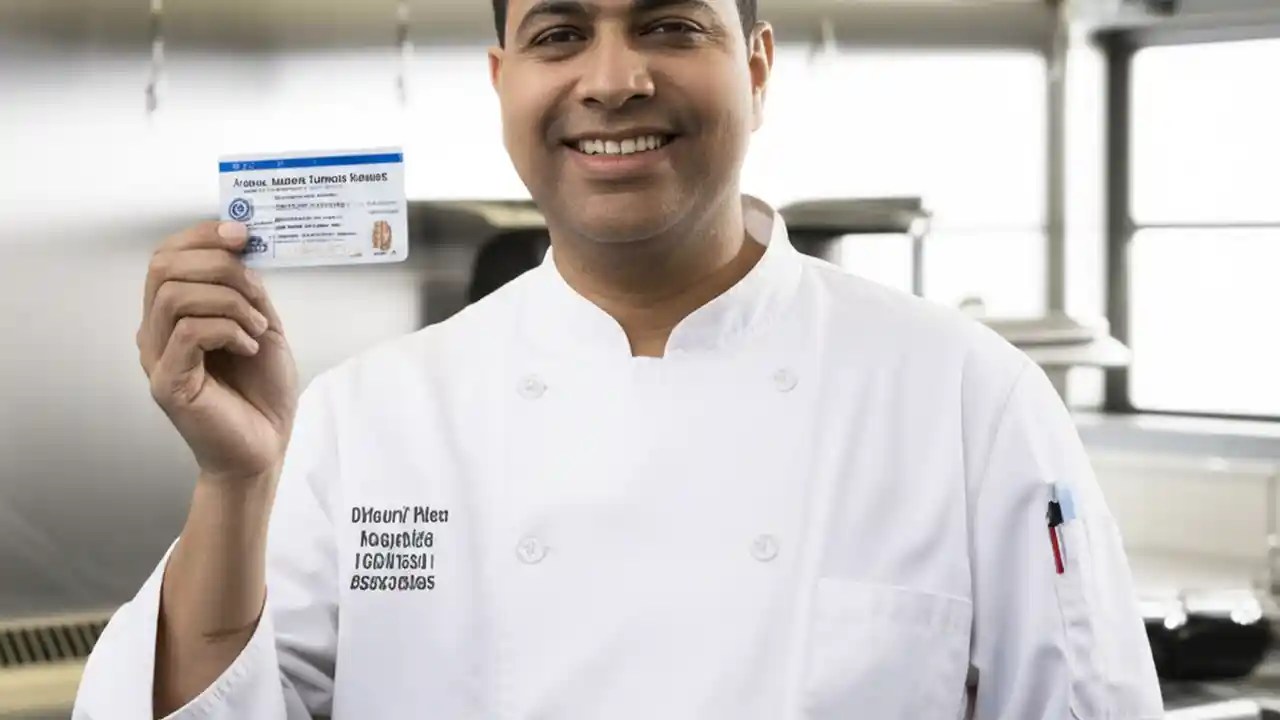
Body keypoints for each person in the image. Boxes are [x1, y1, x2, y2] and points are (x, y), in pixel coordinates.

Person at [74, 0, 1164, 717]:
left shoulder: (966, 398)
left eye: (668, 25)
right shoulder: (372, 418)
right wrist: (236, 482)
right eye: (558, 34)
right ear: (502, 80)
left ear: (757, 67)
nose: (612, 80)